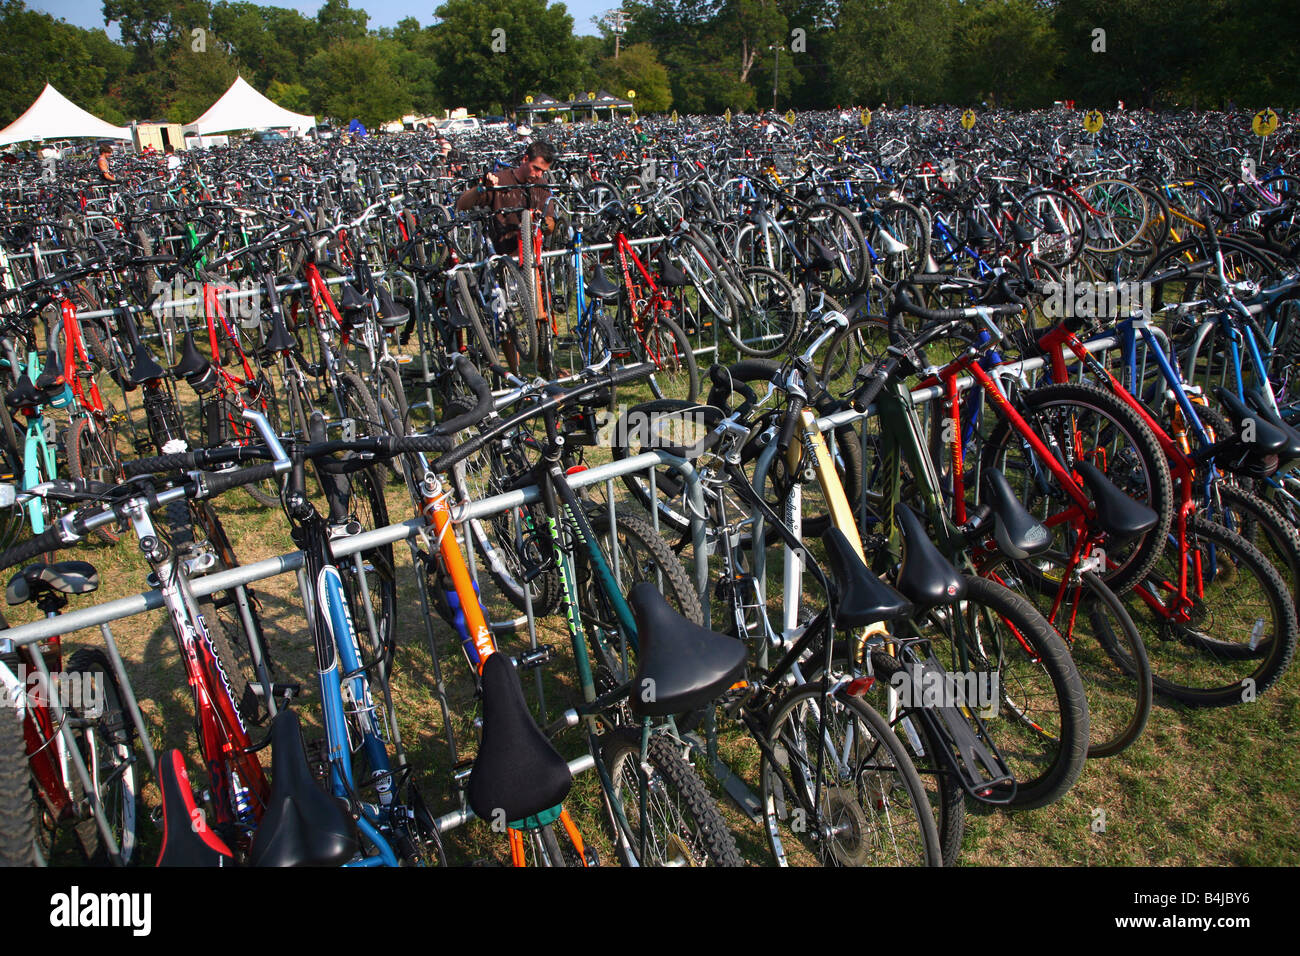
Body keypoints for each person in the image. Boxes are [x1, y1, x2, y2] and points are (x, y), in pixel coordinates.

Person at [454, 139, 556, 255]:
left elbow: (550, 225)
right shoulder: (500, 180)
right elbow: (461, 204)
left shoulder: (541, 185)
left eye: (543, 171)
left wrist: (544, 222)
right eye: (536, 169)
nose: (539, 175)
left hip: (531, 259)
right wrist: (481, 188)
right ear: (525, 159)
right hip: (502, 257)